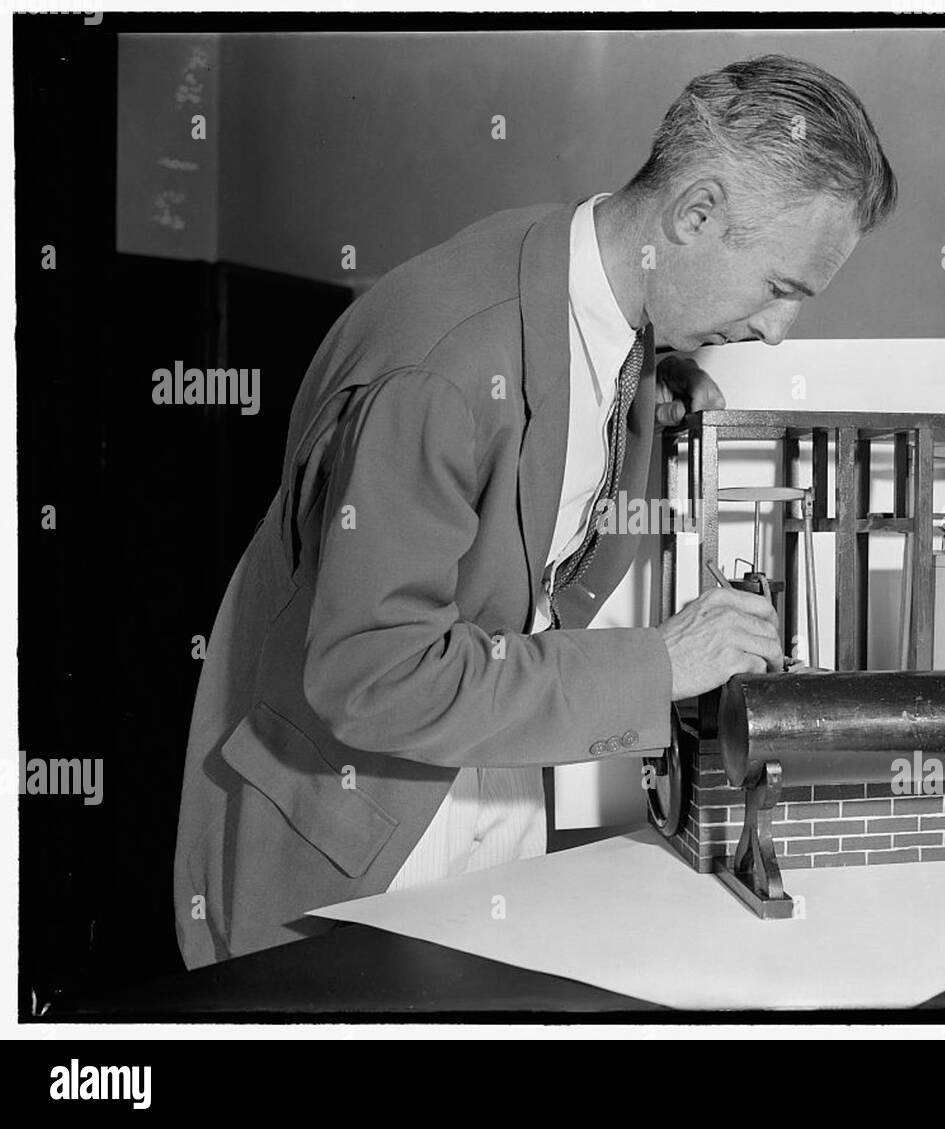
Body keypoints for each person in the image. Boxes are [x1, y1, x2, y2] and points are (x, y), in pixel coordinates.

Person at [173, 53, 897, 968]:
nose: (776, 329)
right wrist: (661, 662)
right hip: (346, 856)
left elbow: (534, 493)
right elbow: (376, 677)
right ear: (696, 213)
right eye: (782, 287)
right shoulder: (438, 365)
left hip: (495, 815)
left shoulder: (595, 298)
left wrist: (656, 384)